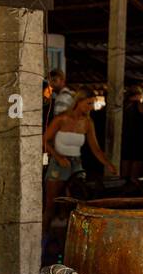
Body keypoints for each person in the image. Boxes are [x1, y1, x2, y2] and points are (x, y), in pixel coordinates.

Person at [43, 87, 116, 234]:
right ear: (79, 101)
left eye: (93, 104)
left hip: (76, 164)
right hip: (58, 163)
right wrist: (58, 157)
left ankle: (74, 238)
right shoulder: (61, 119)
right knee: (51, 204)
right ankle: (42, 239)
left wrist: (108, 164)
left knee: (77, 204)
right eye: (88, 103)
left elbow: (95, 149)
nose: (91, 107)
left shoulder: (88, 123)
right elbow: (44, 140)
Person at [120, 84, 143, 179]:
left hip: (125, 138)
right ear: (138, 94)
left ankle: (123, 185)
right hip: (137, 139)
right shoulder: (139, 106)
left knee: (125, 162)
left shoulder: (123, 106)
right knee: (136, 164)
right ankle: (132, 186)